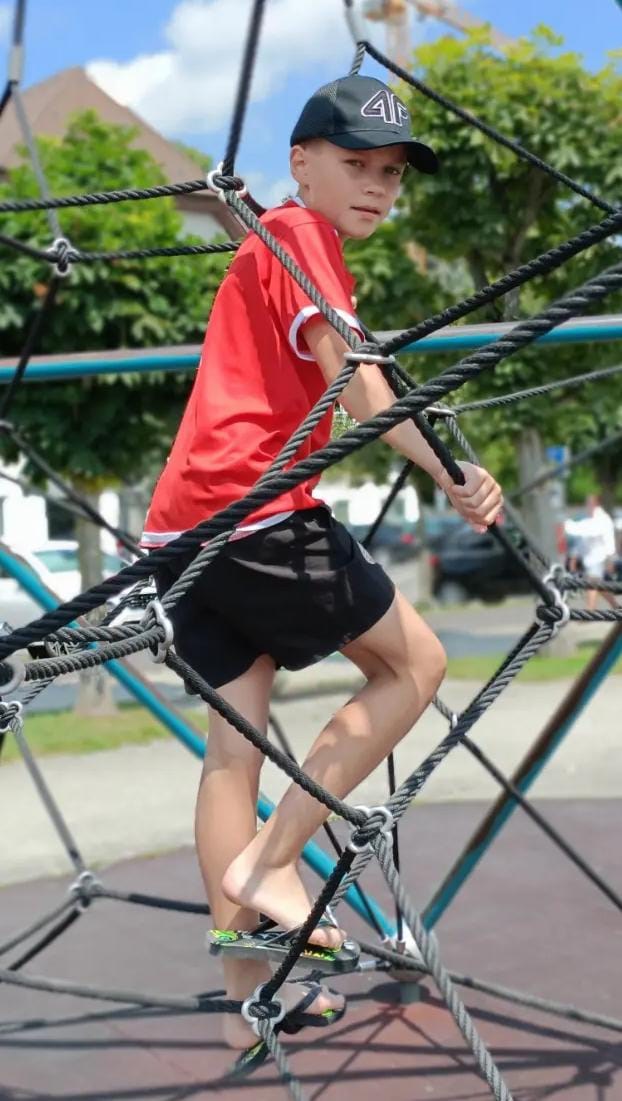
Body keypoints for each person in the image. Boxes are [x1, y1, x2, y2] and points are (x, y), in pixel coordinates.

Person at [141, 74, 503, 1061]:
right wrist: (454, 472)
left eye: (390, 172)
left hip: (182, 528)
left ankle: (245, 1003)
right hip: (256, 517)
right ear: (299, 162)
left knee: (233, 755)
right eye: (356, 163)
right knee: (415, 666)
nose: (377, 186)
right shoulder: (298, 233)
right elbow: (355, 381)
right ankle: (270, 863)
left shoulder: (269, 242)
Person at [566, 494, 618, 611]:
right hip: (590, 559)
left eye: (590, 503)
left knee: (592, 583)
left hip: (599, 558)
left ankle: (590, 609)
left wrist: (610, 559)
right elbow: (583, 540)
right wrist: (575, 556)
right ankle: (616, 606)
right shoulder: (590, 519)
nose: (587, 505)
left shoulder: (602, 519)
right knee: (599, 585)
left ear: (596, 504)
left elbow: (608, 541)